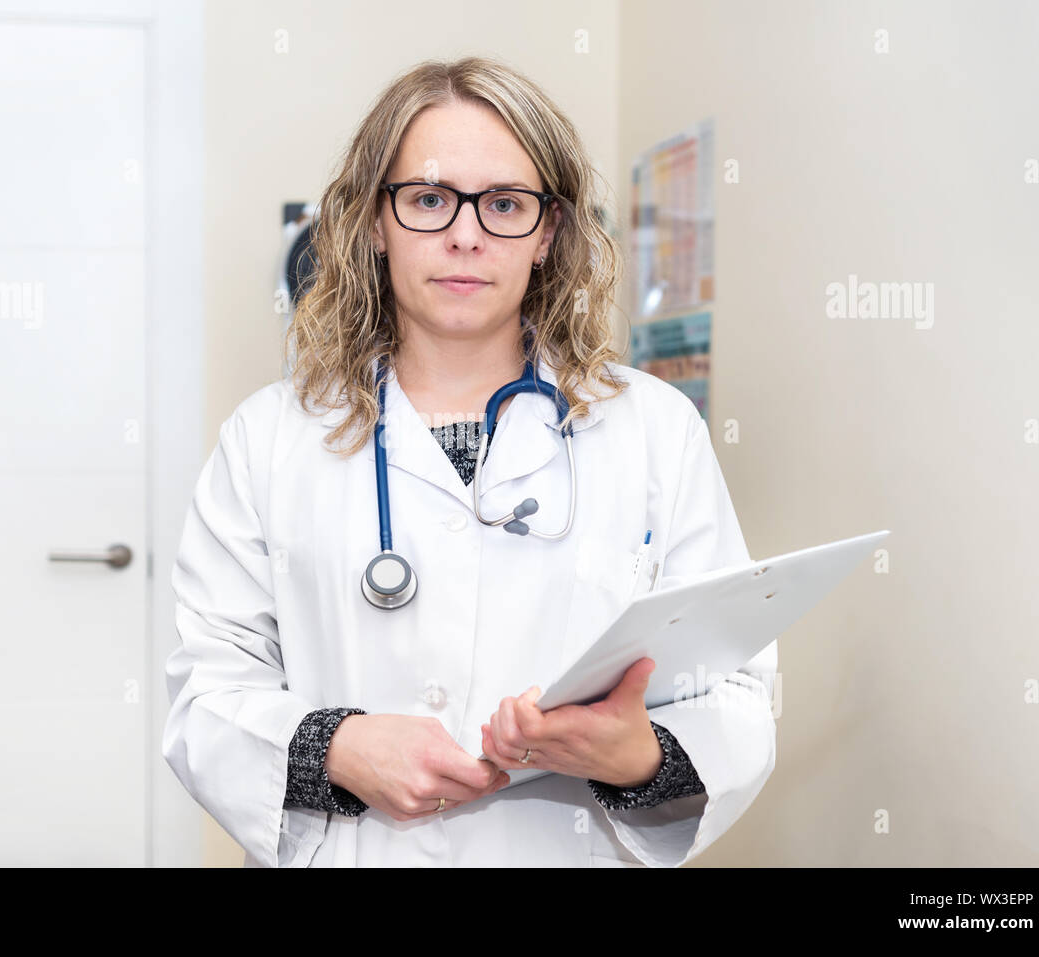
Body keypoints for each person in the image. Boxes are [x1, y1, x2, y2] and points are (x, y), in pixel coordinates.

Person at [162, 56, 777, 867]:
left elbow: (735, 691)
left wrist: (637, 756)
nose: (465, 233)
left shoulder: (654, 430)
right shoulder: (268, 438)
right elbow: (207, 693)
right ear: (374, 225)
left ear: (548, 232)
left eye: (505, 204)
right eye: (427, 198)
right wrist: (338, 748)